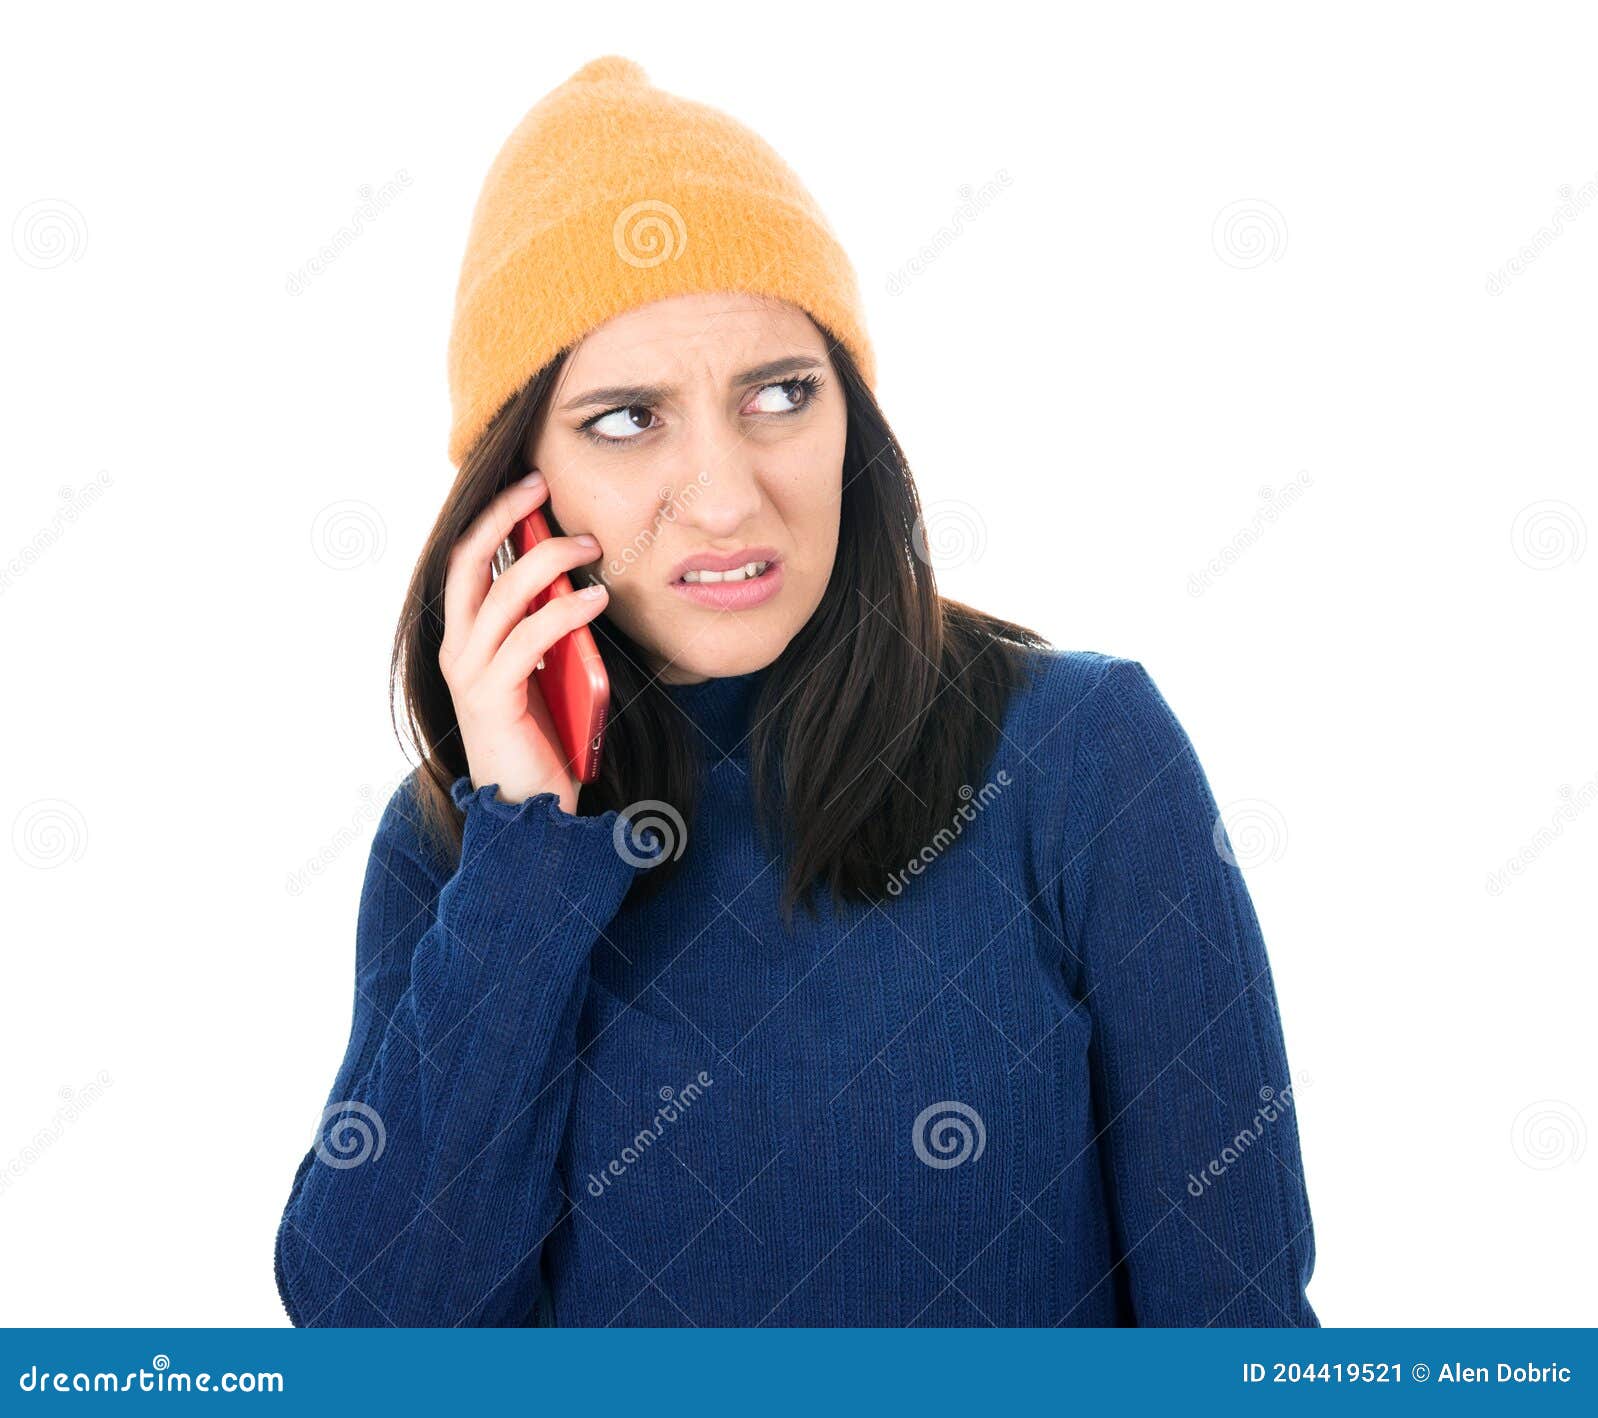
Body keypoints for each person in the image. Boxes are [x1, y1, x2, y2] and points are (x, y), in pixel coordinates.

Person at [272, 54, 1319, 1328]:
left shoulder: (1083, 759)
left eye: (778, 394)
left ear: (849, 421)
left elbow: (1241, 1334)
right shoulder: (462, 844)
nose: (725, 497)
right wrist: (525, 852)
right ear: (513, 493)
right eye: (625, 419)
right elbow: (370, 1333)